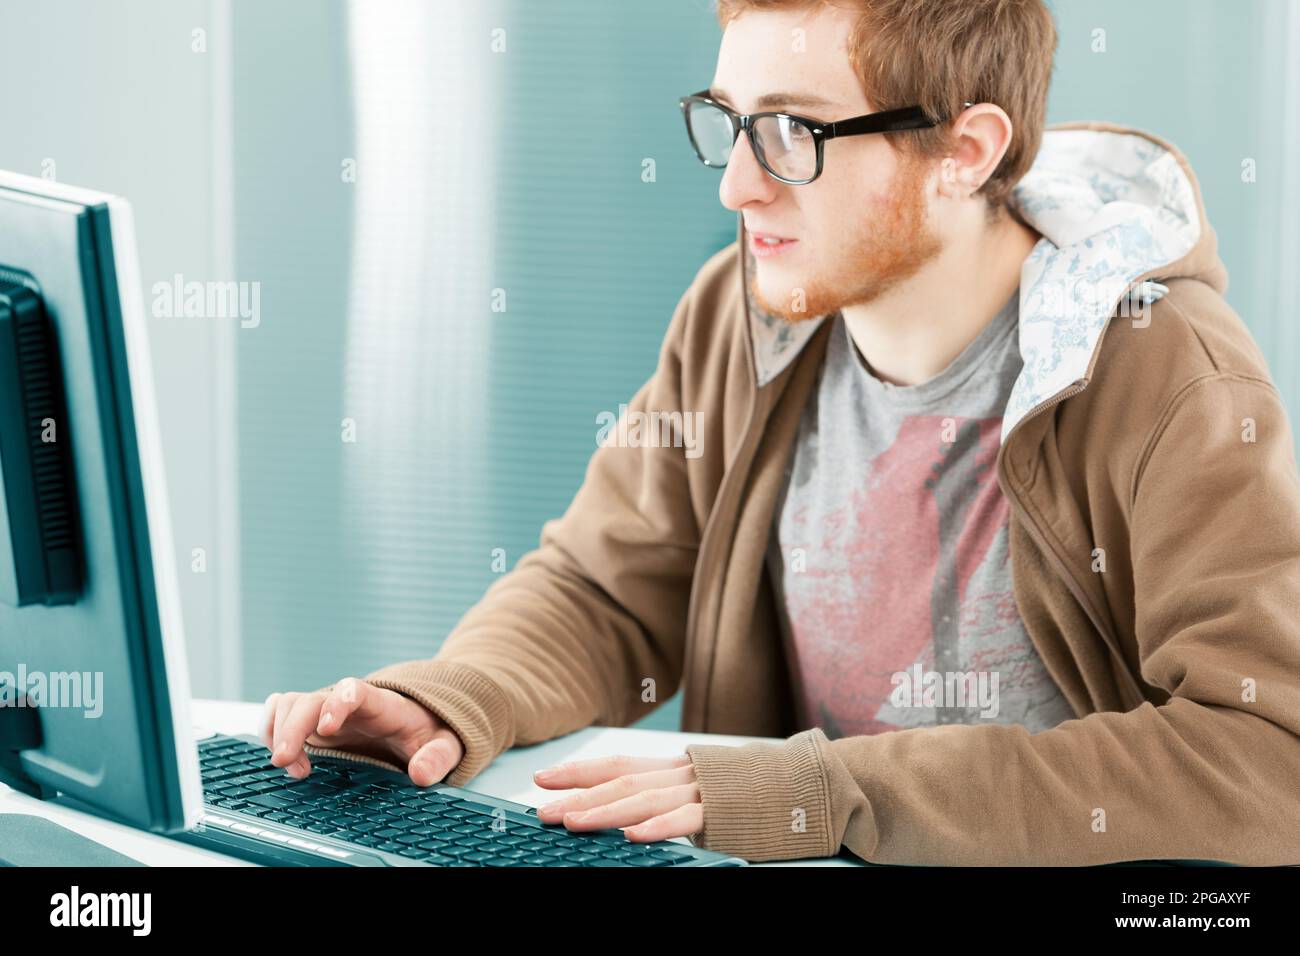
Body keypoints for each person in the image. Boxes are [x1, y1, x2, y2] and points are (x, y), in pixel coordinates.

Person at [261, 0, 1300, 864]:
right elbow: (607, 589)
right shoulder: (740, 311)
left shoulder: (1167, 373)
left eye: (792, 134)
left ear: (964, 151)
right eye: (729, 120)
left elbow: (1265, 752)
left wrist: (822, 792)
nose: (734, 184)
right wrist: (449, 698)